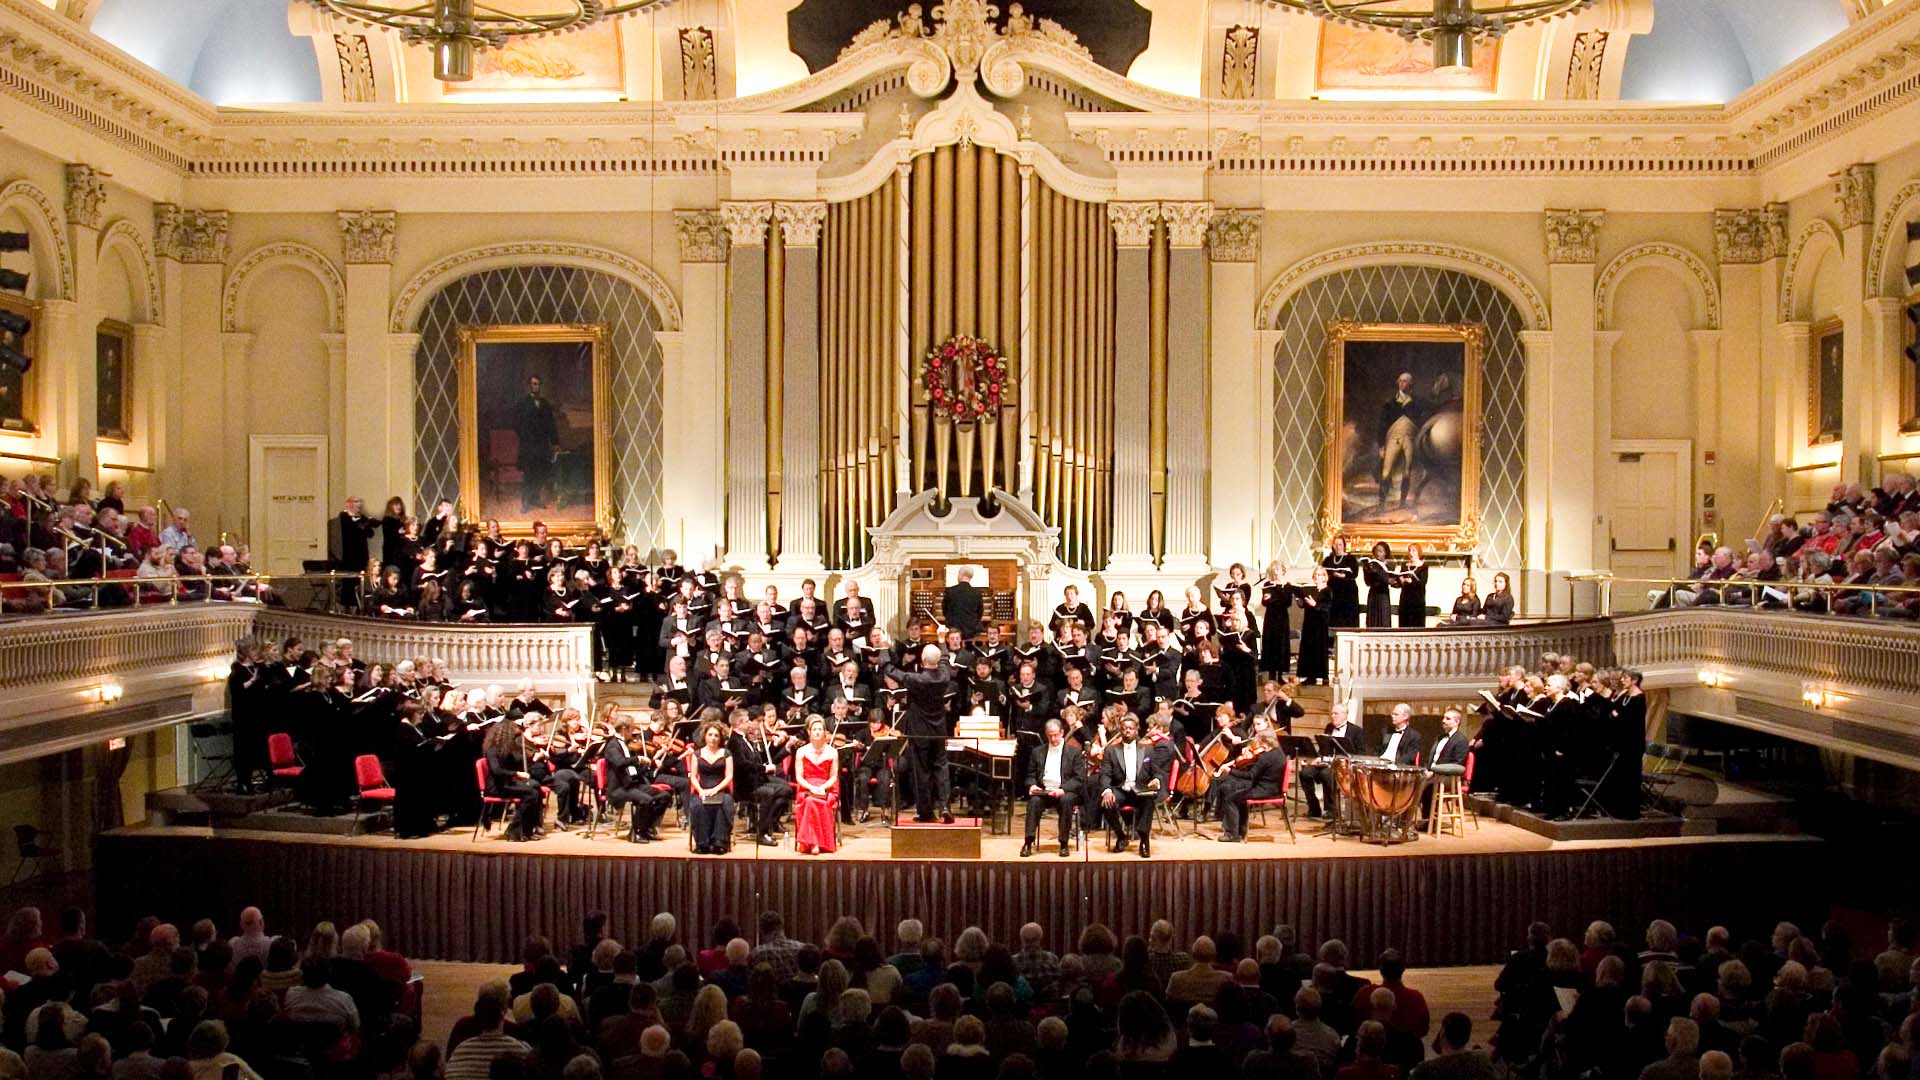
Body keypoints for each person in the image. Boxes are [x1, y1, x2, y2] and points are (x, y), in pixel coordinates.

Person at [887, 645, 957, 824]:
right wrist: (942, 641)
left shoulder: (916, 679)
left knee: (922, 771)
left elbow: (890, 670)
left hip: (919, 732)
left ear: (923, 661)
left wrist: (882, 648)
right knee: (941, 767)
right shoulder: (944, 676)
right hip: (939, 730)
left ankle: (926, 812)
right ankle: (944, 806)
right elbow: (945, 660)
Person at [1098, 714, 1162, 858]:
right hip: (1120, 790)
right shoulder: (1111, 751)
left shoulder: (1148, 750)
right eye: (1125, 728)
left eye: (1131, 728)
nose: (1127, 731)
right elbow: (1105, 774)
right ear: (1120, 730)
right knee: (1106, 803)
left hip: (1140, 790)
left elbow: (1157, 773)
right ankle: (1121, 836)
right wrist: (1107, 790)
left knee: (1149, 800)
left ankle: (1144, 840)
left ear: (1136, 731)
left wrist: (1156, 780)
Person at [1021, 719, 1083, 858]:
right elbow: (1030, 775)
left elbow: (1079, 779)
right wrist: (1032, 785)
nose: (1053, 739)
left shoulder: (1074, 752)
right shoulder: (1038, 752)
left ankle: (1063, 843)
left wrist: (1063, 789)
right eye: (1050, 735)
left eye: (1056, 735)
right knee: (1034, 802)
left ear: (1062, 733)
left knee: (1066, 801)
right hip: (1045, 791)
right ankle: (1028, 842)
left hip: (1064, 792)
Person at [482, 716, 545, 842]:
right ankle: (514, 830)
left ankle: (527, 830)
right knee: (531, 793)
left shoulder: (506, 748)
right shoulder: (492, 749)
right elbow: (497, 771)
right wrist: (516, 773)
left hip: (507, 783)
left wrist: (532, 756)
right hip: (497, 786)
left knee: (535, 787)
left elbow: (517, 759)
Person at [791, 717, 839, 855]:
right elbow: (799, 777)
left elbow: (833, 777)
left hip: (827, 787)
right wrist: (811, 788)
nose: (817, 732)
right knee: (808, 800)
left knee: (812, 801)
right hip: (806, 787)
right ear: (809, 732)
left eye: (820, 729)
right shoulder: (801, 751)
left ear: (824, 732)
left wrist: (823, 787)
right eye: (814, 730)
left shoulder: (832, 752)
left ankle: (807, 842)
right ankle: (814, 843)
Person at [687, 720, 735, 855]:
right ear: (705, 736)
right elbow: (693, 777)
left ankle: (719, 842)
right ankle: (703, 843)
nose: (713, 738)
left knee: (723, 804)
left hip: (721, 788)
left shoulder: (726, 753)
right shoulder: (697, 754)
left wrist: (716, 789)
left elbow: (729, 777)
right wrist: (701, 791)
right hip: (701, 789)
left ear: (720, 738)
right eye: (710, 735)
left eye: (716, 735)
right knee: (698, 806)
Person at [515, 375, 559, 513]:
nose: (536, 386)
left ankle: (536, 499)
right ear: (529, 386)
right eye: (534, 384)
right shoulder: (522, 403)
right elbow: (516, 424)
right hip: (528, 446)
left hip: (542, 446)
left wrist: (555, 441)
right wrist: (526, 437)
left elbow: (551, 424)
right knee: (528, 475)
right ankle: (525, 503)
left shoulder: (545, 403)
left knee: (540, 474)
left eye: (538, 384)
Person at [1297, 568, 1334, 684]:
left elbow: (1327, 607)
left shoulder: (1327, 591)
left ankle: (1324, 677)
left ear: (1324, 577)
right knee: (1309, 649)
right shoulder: (1310, 590)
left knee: (1320, 649)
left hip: (1321, 624)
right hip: (1309, 623)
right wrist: (1300, 600)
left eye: (1319, 575)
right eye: (1315, 575)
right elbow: (1304, 605)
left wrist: (1315, 604)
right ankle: (1310, 676)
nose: (1317, 577)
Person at [1322, 537, 1361, 628]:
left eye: (1340, 545)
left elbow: (1354, 573)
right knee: (1334, 618)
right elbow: (1323, 572)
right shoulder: (1328, 559)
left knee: (1347, 618)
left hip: (1348, 593)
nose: (1338, 547)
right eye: (1336, 545)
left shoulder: (1350, 558)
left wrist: (1343, 575)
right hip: (1333, 592)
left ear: (1344, 545)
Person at [942, 567, 984, 639]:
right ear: (970, 577)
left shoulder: (950, 591)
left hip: (953, 628)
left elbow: (945, 610)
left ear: (960, 575)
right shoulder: (977, 593)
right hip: (971, 630)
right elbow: (980, 613)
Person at [1395, 545, 1430, 627]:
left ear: (1418, 553)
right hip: (1405, 599)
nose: (1411, 553)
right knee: (1404, 622)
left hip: (1417, 600)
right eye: (1409, 550)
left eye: (1414, 551)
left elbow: (1423, 582)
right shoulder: (1404, 566)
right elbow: (1400, 580)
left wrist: (1411, 581)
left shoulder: (1423, 566)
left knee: (1416, 623)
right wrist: (1401, 580)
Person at [1364, 542, 1396, 629]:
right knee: (1373, 620)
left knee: (1383, 618)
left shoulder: (1390, 565)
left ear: (1385, 553)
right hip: (1373, 594)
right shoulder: (1370, 565)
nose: (1378, 553)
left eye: (1381, 551)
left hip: (1383, 594)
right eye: (1376, 551)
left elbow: (1391, 578)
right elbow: (1367, 582)